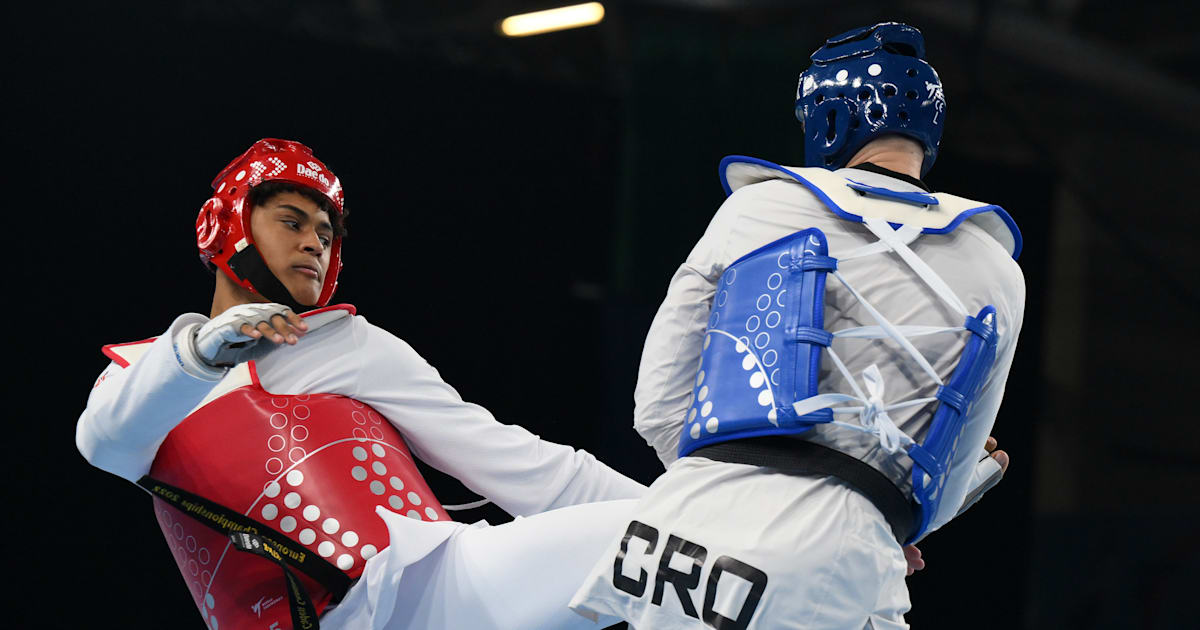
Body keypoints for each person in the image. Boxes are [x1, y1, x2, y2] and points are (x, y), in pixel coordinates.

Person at [76, 138, 644, 630]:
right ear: (224, 226)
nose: (314, 244)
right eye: (292, 222)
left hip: (431, 591)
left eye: (325, 234)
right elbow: (105, 446)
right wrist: (200, 353)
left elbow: (526, 466)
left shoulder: (352, 344)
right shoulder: (142, 370)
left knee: (654, 539)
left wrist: (683, 506)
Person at [569, 22, 1024, 629]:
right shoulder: (998, 269)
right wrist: (870, 514)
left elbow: (657, 405)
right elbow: (942, 484)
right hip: (850, 547)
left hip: (684, 527)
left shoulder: (759, 208)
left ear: (826, 119)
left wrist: (746, 498)